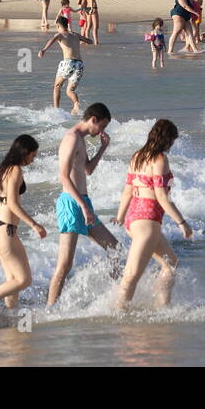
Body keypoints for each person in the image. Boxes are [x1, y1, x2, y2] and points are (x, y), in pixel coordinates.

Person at [114, 119, 193, 308]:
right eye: (172, 141)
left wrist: (120, 216)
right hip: (147, 220)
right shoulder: (159, 159)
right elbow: (161, 197)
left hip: (134, 217)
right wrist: (182, 222)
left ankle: (162, 307)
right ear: (166, 139)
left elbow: (127, 190)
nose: (171, 145)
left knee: (171, 264)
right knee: (131, 276)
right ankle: (117, 315)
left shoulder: (137, 156)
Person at [47, 103, 119, 306]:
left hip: (82, 202)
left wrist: (103, 148)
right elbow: (63, 177)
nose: (102, 131)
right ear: (93, 120)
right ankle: (50, 308)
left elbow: (87, 170)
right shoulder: (71, 139)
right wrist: (83, 207)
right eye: (102, 127)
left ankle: (113, 299)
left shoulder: (82, 139)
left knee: (115, 248)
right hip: (71, 203)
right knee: (64, 264)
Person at [0, 134, 47, 308]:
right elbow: (13, 204)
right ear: (24, 152)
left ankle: (10, 314)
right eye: (33, 155)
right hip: (5, 231)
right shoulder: (16, 170)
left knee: (12, 280)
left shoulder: (2, 168)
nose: (33, 160)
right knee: (24, 280)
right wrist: (34, 225)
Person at [37, 15, 89, 114]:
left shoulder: (60, 34)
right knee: (70, 91)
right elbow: (88, 41)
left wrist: (43, 50)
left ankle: (56, 110)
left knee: (57, 86)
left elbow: (51, 40)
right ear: (67, 24)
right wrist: (85, 39)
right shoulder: (75, 34)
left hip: (68, 63)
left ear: (58, 25)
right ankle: (76, 103)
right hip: (79, 64)